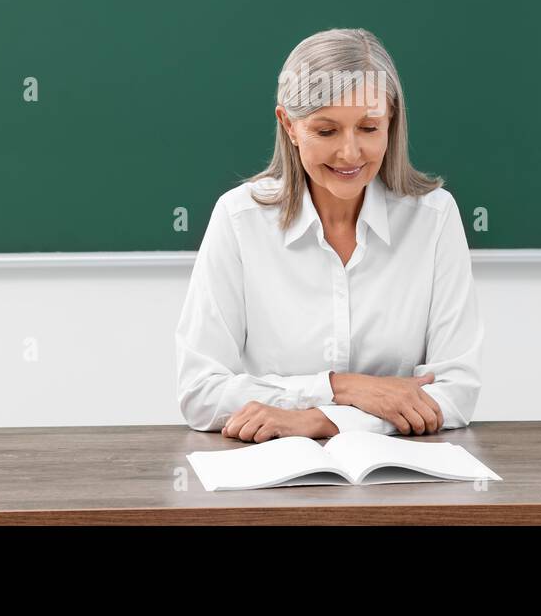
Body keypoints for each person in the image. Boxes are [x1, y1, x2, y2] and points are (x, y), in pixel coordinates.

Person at [174, 27, 484, 442]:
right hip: (273, 482)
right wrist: (342, 387)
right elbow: (200, 392)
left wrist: (320, 419)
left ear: (391, 120)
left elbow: (454, 394)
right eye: (326, 131)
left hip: (402, 483)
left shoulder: (434, 217)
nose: (351, 153)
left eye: (369, 128)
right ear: (289, 125)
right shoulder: (238, 218)